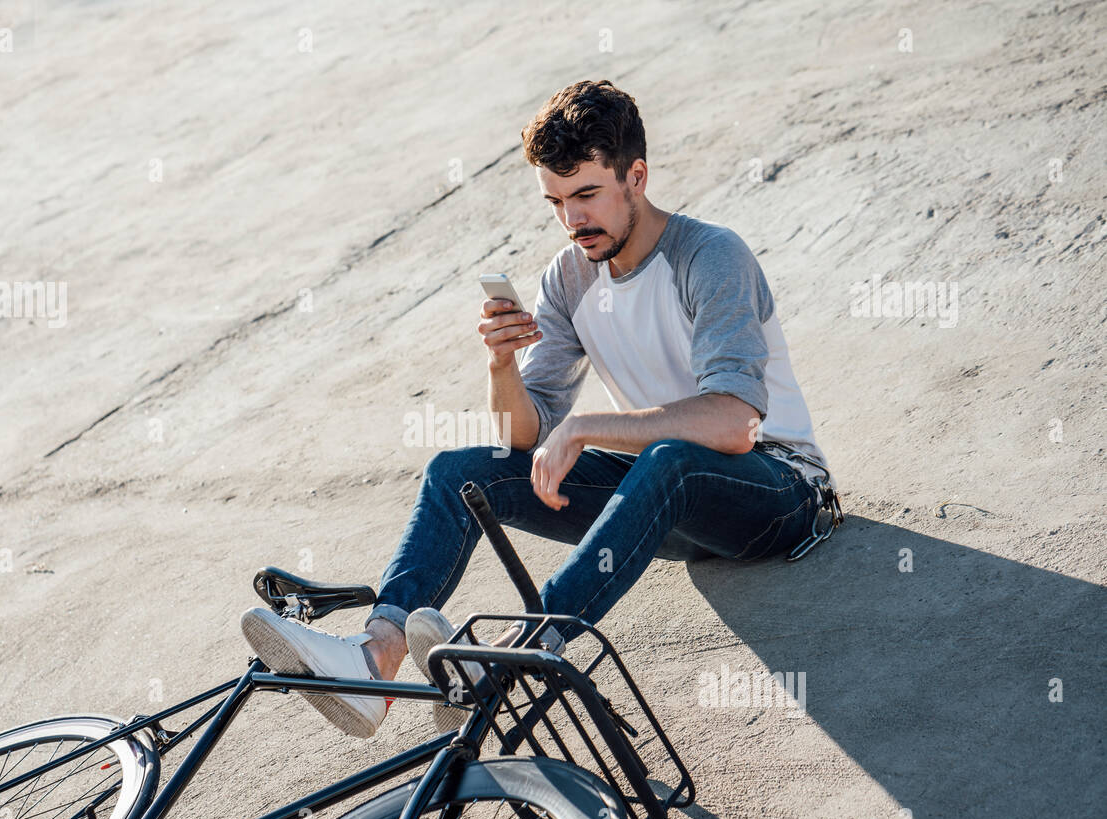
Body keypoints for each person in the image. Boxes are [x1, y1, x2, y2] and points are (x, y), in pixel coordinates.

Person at [242, 79, 839, 739]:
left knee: (672, 459)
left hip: (779, 491)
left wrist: (586, 427)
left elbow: (735, 425)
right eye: (555, 201)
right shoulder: (570, 276)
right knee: (459, 470)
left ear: (635, 176)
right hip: (670, 507)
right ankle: (372, 661)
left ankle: (524, 657)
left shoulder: (710, 256)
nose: (572, 219)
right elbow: (523, 436)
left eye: (586, 195)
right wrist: (501, 366)